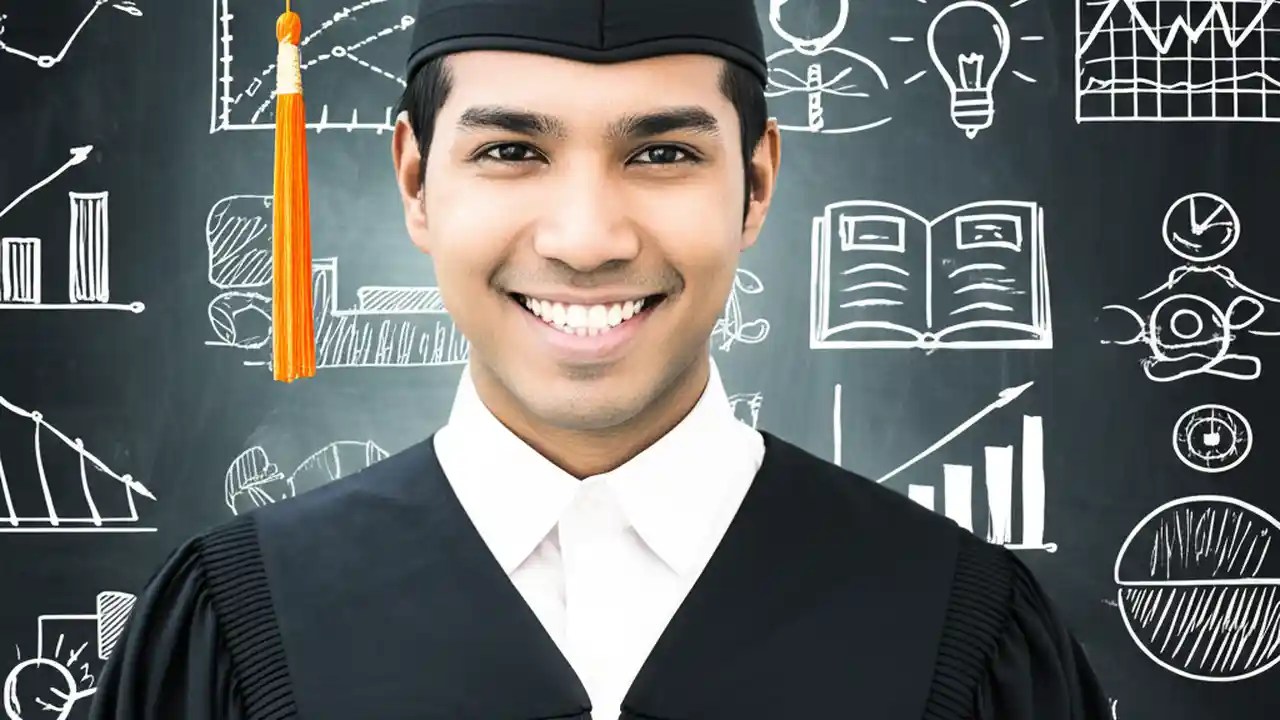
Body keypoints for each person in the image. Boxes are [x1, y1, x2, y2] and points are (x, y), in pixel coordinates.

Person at [87, 0, 1112, 717]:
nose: (585, 238)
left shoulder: (956, 627)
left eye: (662, 153)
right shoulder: (237, 622)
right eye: (510, 151)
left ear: (754, 184)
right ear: (413, 179)